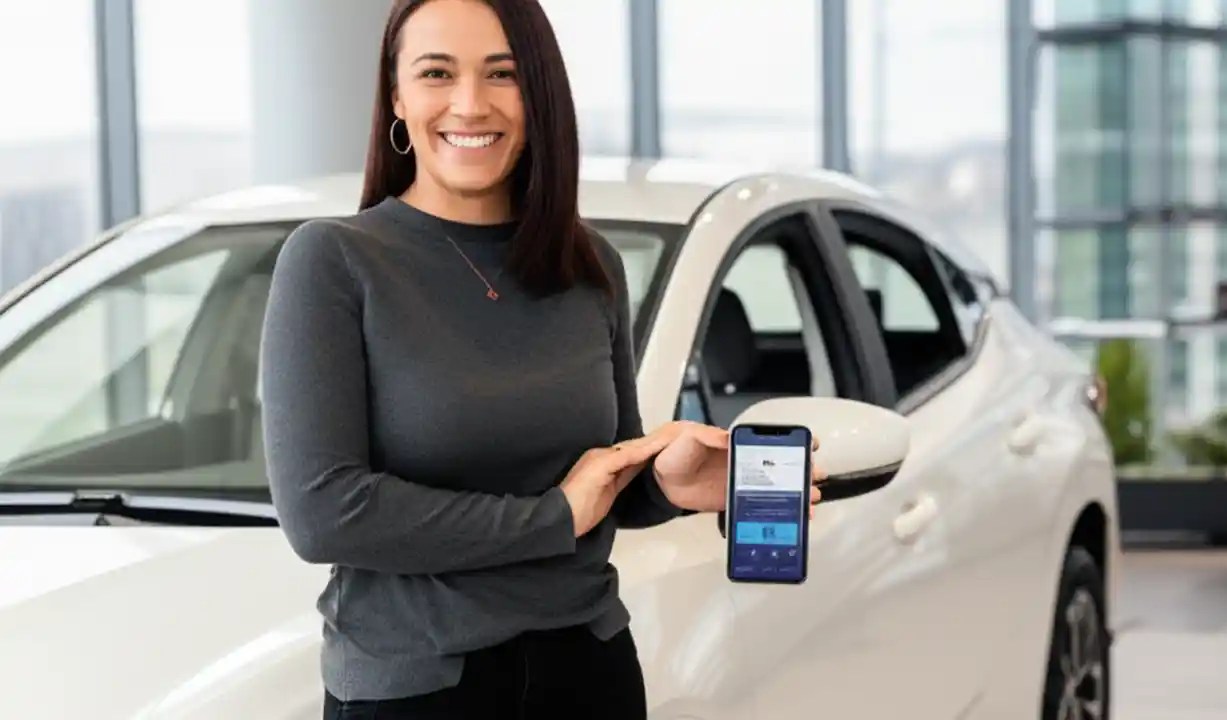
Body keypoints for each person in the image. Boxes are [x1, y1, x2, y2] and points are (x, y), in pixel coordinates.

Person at [260, 0, 820, 717]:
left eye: (504, 74)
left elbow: (599, 474)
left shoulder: (590, 265)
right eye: (437, 72)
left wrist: (667, 485)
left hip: (588, 670)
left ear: (539, 96)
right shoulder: (334, 261)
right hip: (418, 690)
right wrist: (552, 517)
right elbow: (324, 512)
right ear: (396, 95)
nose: (470, 103)